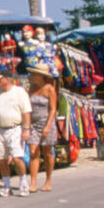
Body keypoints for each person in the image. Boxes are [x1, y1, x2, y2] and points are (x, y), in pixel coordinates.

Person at [0, 70, 32, 196]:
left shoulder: (19, 92)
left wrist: (26, 129)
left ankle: (23, 183)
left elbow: (26, 112)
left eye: (0, 79)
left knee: (17, 158)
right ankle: (6, 184)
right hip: (0, 129)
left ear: (8, 79)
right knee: (0, 159)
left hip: (15, 128)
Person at [26, 64, 59, 192]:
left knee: (47, 152)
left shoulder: (49, 89)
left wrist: (48, 126)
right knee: (33, 151)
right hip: (34, 123)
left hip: (46, 122)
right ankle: (33, 182)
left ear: (41, 76)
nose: (32, 76)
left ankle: (48, 180)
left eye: (35, 74)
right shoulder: (32, 88)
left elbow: (53, 109)